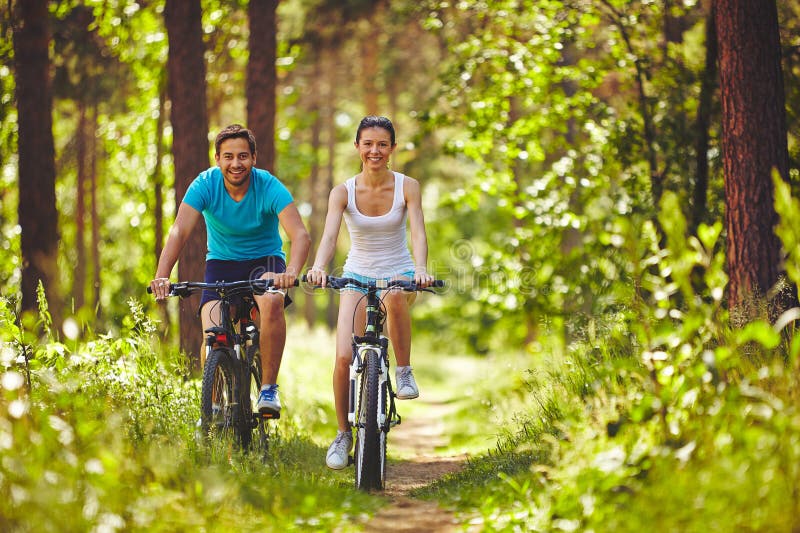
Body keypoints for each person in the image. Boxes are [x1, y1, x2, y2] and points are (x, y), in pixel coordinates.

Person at [150, 124, 310, 416]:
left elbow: (300, 235)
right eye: (228, 156)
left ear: (254, 158)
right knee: (211, 332)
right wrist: (163, 274)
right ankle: (209, 409)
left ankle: (268, 389)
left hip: (265, 261)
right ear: (217, 159)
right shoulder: (204, 184)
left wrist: (292, 271)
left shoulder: (269, 186)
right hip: (221, 264)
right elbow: (179, 231)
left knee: (272, 302)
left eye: (242, 156)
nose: (236, 163)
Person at [306, 116, 434, 470]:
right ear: (357, 147)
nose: (374, 150)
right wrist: (318, 266)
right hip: (357, 276)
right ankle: (343, 434)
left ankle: (404, 370)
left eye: (382, 144)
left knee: (393, 294)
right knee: (345, 356)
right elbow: (330, 237)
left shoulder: (408, 186)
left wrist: (420, 270)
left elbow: (418, 232)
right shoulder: (342, 192)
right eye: (368, 144)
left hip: (400, 272)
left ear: (392, 148)